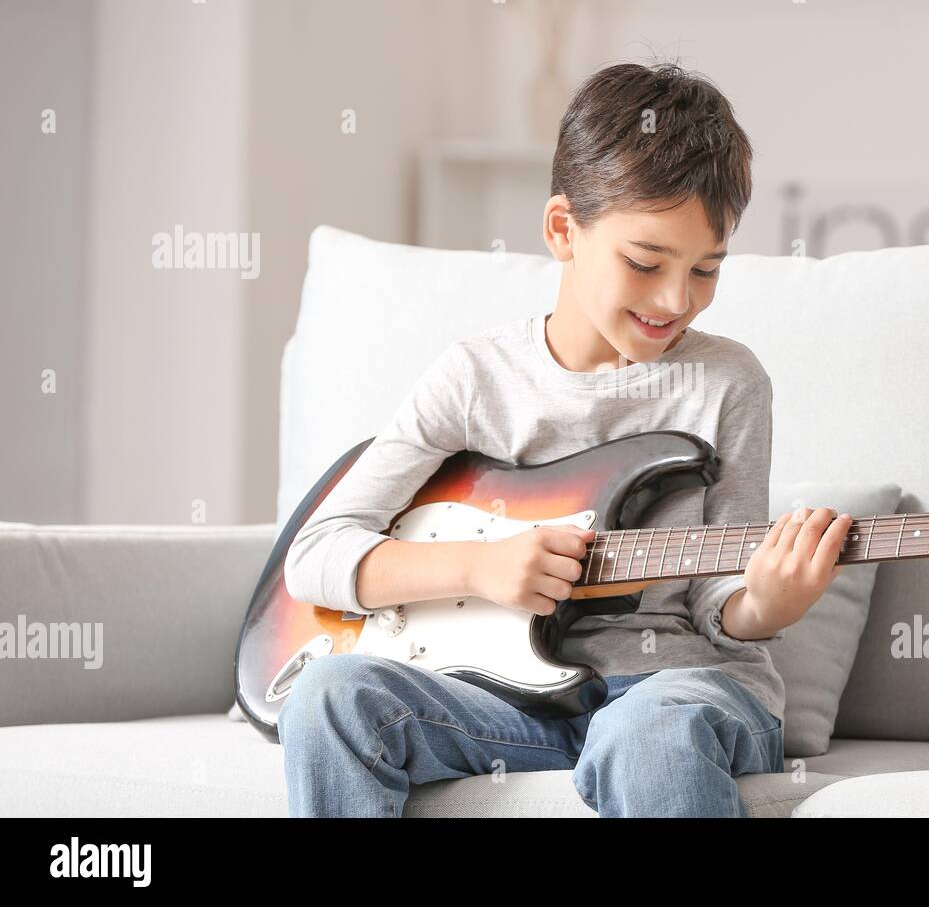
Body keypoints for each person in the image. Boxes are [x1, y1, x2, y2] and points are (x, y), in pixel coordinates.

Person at [279, 60, 852, 817]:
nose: (676, 299)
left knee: (647, 730)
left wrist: (768, 603)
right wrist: (482, 568)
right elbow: (316, 556)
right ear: (562, 230)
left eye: (707, 270)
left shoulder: (728, 381)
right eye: (645, 262)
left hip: (680, 695)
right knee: (330, 697)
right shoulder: (474, 378)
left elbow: (723, 595)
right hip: (509, 707)